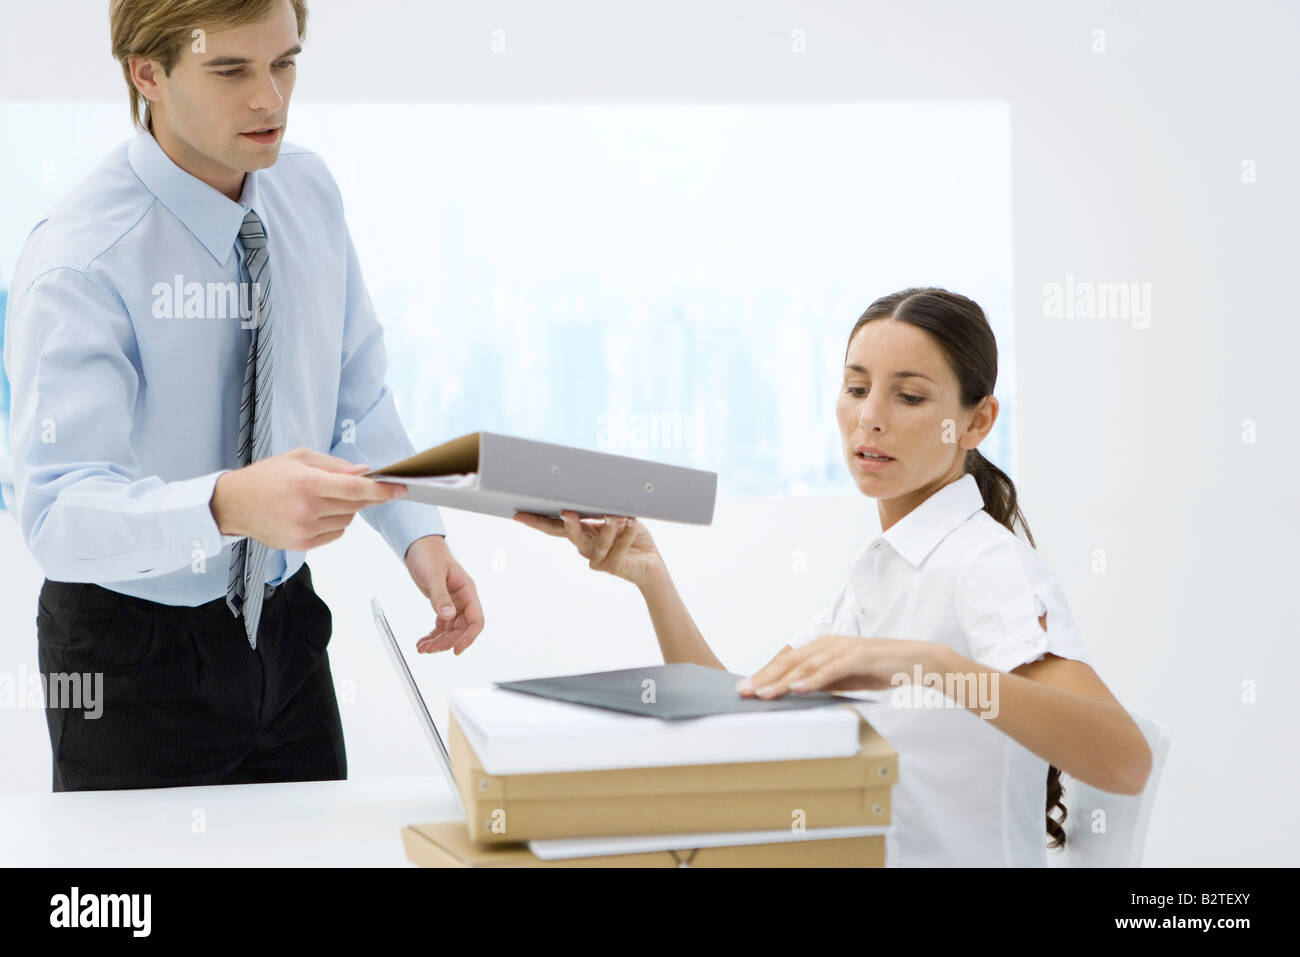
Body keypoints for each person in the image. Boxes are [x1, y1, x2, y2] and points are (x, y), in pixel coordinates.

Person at [2, 0, 483, 791]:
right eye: (231, 70)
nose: (271, 99)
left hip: (287, 625)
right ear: (147, 72)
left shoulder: (308, 193)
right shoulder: (80, 264)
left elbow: (356, 392)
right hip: (131, 654)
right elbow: (57, 513)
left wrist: (418, 536)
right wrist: (228, 505)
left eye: (284, 63)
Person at [513, 286, 1152, 866]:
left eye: (909, 396)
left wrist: (924, 664)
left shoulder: (985, 565)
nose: (871, 417)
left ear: (978, 421)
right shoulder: (883, 570)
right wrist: (650, 577)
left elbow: (1123, 760)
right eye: (855, 388)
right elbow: (737, 715)